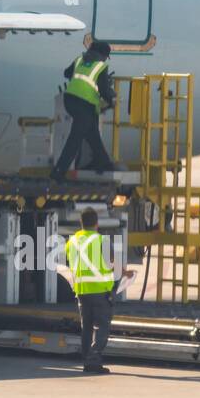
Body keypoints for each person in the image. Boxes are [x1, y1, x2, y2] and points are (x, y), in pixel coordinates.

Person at [64, 207, 132, 373]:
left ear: (81, 223)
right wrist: (126, 272)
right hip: (99, 291)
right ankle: (93, 359)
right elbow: (111, 263)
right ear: (97, 223)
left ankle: (87, 359)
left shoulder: (71, 242)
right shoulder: (101, 241)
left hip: (81, 291)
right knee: (101, 327)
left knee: (86, 327)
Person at [50, 41, 116, 181]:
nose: (105, 59)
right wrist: (112, 99)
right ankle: (59, 172)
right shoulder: (101, 66)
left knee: (93, 134)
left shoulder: (80, 59)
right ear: (103, 55)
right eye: (106, 56)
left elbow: (67, 73)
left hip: (69, 100)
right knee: (75, 139)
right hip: (84, 104)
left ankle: (104, 164)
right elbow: (104, 90)